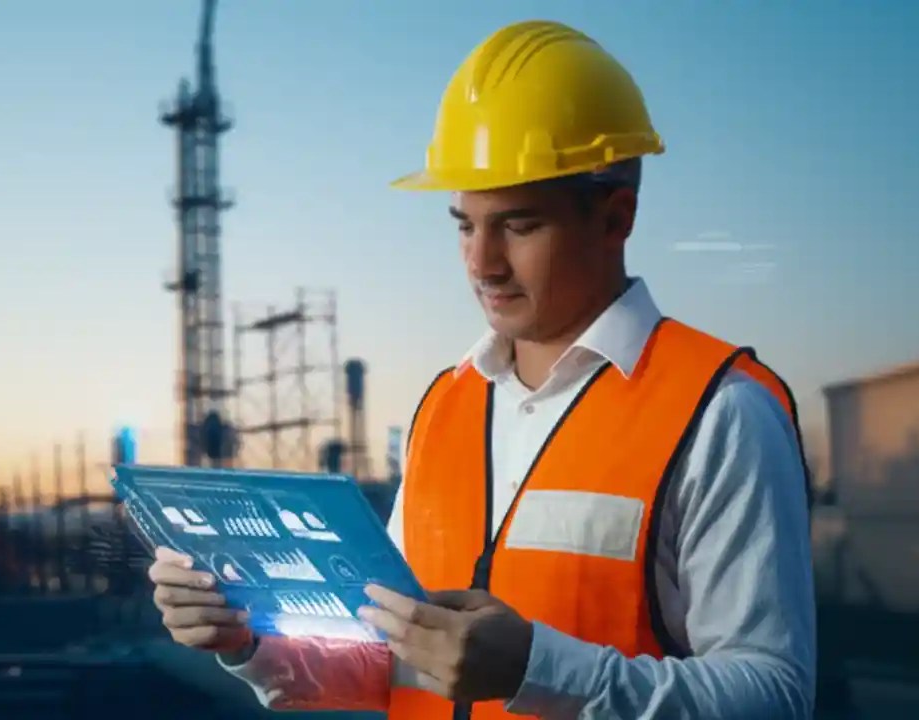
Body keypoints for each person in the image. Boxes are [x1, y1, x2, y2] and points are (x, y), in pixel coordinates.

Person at [148, 18, 816, 719]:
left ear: (616, 217)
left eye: (519, 225)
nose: (481, 264)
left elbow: (773, 696)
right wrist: (246, 642)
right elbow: (392, 658)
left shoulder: (718, 413)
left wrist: (536, 669)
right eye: (465, 225)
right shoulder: (447, 407)